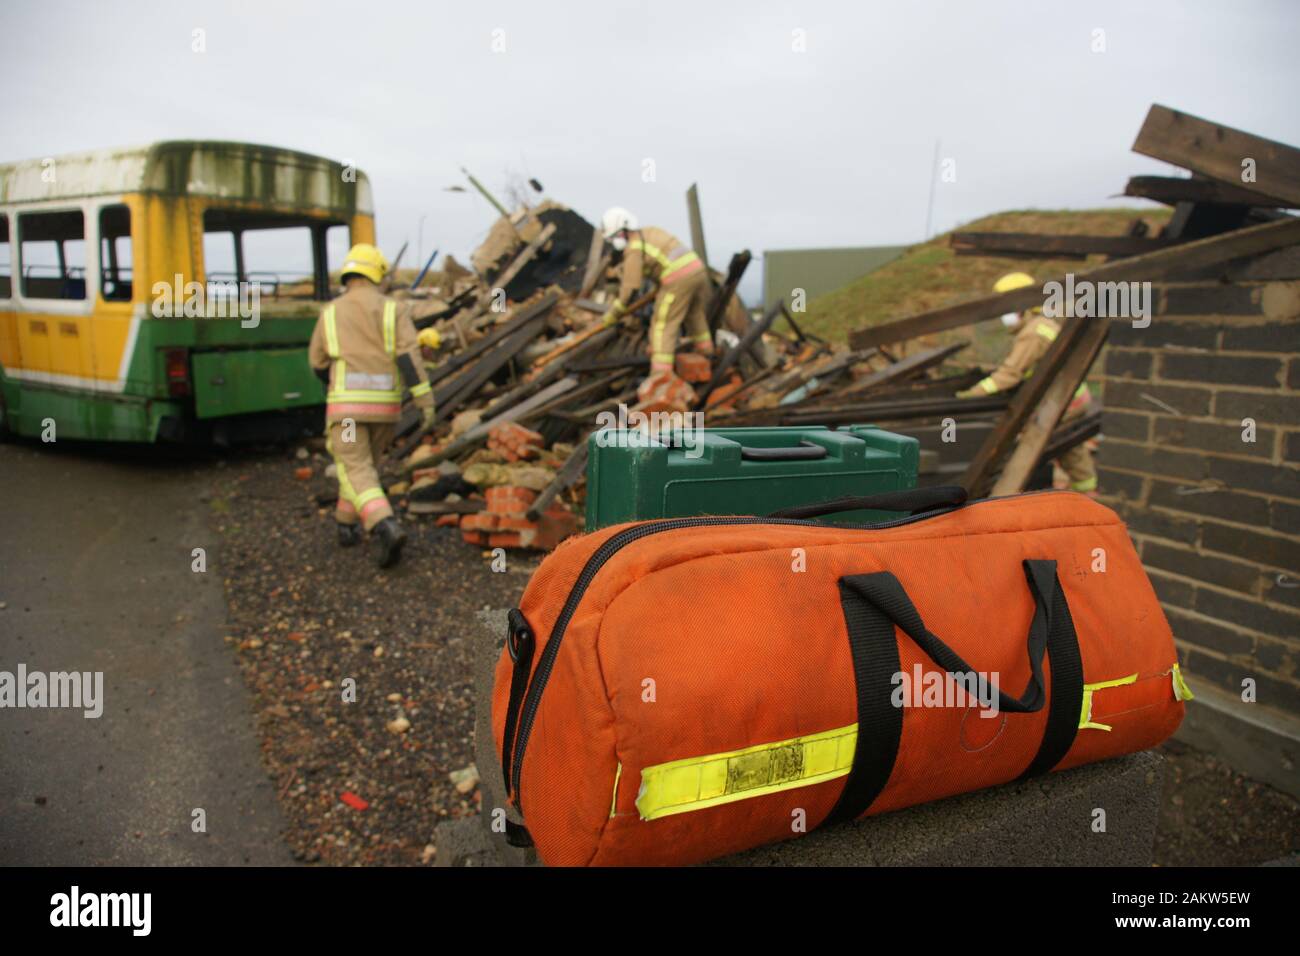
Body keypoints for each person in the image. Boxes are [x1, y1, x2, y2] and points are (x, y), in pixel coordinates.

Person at [308, 243, 435, 567]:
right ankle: (345, 524)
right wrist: (425, 402)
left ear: (349, 274)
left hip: (346, 411)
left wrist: (335, 381)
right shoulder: (394, 309)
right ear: (377, 273)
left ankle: (385, 524)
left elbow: (317, 362)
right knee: (363, 469)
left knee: (354, 467)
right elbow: (409, 357)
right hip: (385, 410)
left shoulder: (331, 312)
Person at [956, 271, 1097, 495]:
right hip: (1073, 397)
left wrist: (973, 393)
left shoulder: (1032, 333)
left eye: (1008, 308)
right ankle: (1088, 492)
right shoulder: (1043, 325)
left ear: (1022, 306)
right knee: (1069, 447)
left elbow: (1010, 374)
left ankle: (1007, 494)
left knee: (1027, 443)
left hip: (1062, 401)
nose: (1005, 316)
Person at [599, 207, 713, 374]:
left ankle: (660, 375)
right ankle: (707, 353)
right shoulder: (650, 232)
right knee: (694, 313)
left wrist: (613, 314)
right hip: (697, 270)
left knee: (663, 323)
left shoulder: (634, 248)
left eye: (615, 236)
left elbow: (630, 289)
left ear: (622, 231)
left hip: (678, 278)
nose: (616, 241)